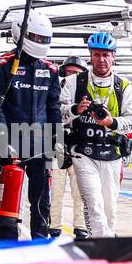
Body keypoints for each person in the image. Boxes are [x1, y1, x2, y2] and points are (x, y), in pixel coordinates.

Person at [61, 32, 132, 238]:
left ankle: (106, 249)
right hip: (83, 152)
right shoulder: (73, 83)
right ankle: (103, 246)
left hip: (112, 154)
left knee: (109, 210)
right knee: (93, 204)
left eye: (106, 55)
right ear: (90, 56)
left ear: (114, 56)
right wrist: (75, 110)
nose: (101, 60)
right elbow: (56, 114)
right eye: (97, 55)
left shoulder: (124, 87)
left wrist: (111, 122)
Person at [0, 10, 62, 240]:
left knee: (42, 202)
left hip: (41, 147)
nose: (40, 43)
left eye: (44, 39)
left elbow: (54, 110)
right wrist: (3, 140)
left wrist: (58, 143)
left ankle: (39, 246)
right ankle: (6, 245)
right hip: (10, 144)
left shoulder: (51, 71)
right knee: (9, 201)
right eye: (36, 37)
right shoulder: (4, 65)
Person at [52, 54, 90, 238]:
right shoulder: (55, 89)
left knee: (80, 189)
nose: (72, 76)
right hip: (58, 140)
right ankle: (53, 226)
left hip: (79, 142)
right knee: (55, 188)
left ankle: (81, 227)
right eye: (69, 72)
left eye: (77, 73)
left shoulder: (88, 92)